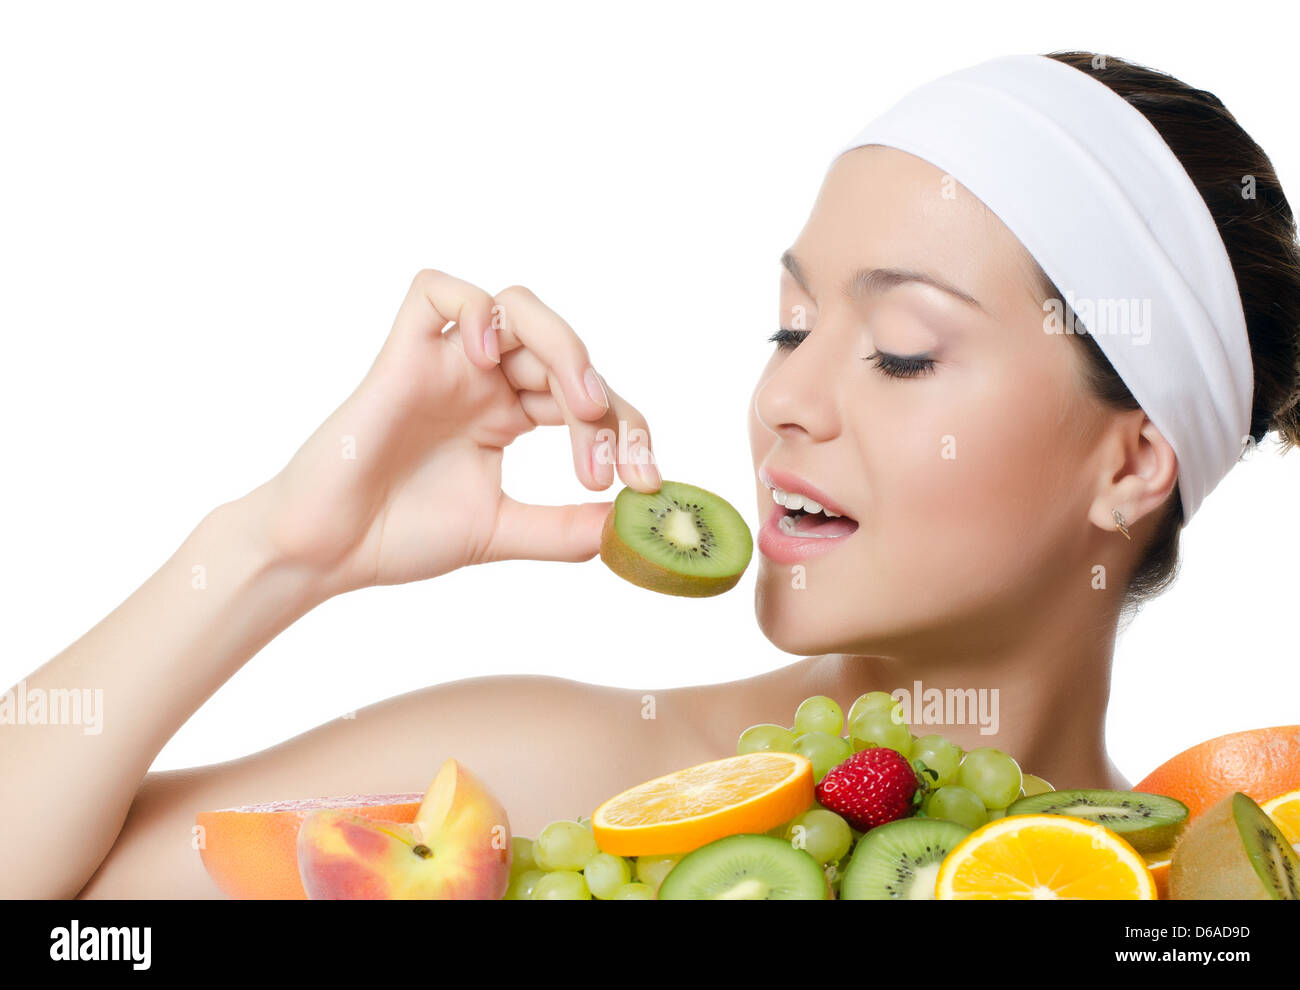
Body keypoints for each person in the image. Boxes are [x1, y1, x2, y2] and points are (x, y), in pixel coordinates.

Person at [3, 50, 1298, 899]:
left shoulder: (1212, 880)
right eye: (788, 330)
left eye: (902, 353)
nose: (784, 400)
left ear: (1132, 462)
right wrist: (285, 544)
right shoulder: (569, 776)